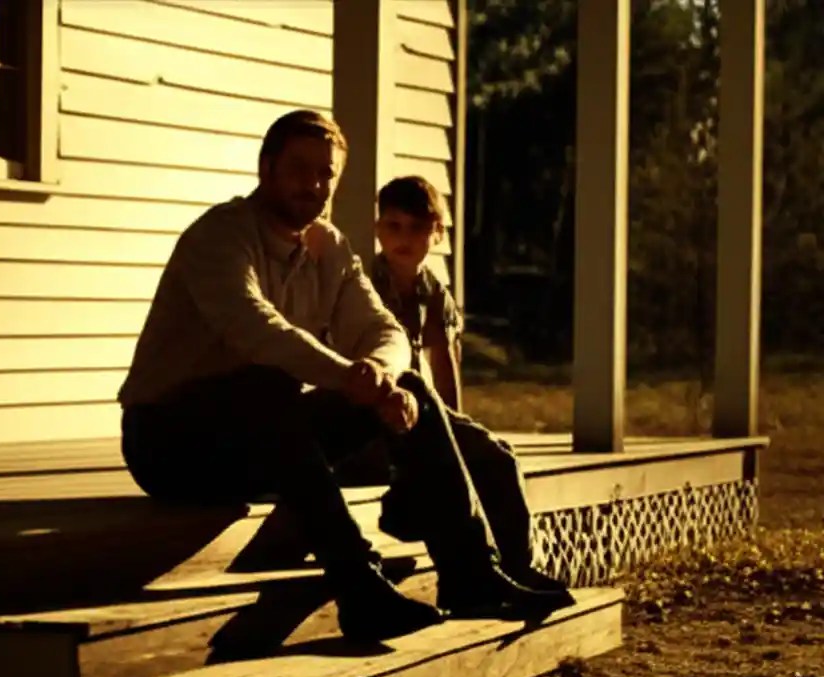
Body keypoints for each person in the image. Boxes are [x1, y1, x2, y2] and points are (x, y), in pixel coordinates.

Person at [117, 110, 573, 643]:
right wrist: (346, 378)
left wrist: (379, 375)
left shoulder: (327, 246)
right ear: (266, 168)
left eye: (326, 174)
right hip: (170, 444)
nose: (313, 184)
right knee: (263, 382)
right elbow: (256, 331)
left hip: (263, 439)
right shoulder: (220, 236)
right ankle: (359, 587)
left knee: (411, 388)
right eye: (299, 169)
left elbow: (383, 328)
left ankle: (471, 574)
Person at [368, 175, 571, 606]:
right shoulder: (363, 284)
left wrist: (456, 431)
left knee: (495, 456)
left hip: (422, 413)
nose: (404, 238)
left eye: (417, 228)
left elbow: (444, 367)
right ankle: (476, 576)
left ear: (437, 233)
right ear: (378, 229)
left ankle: (512, 565)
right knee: (468, 461)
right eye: (393, 226)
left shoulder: (433, 293)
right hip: (374, 412)